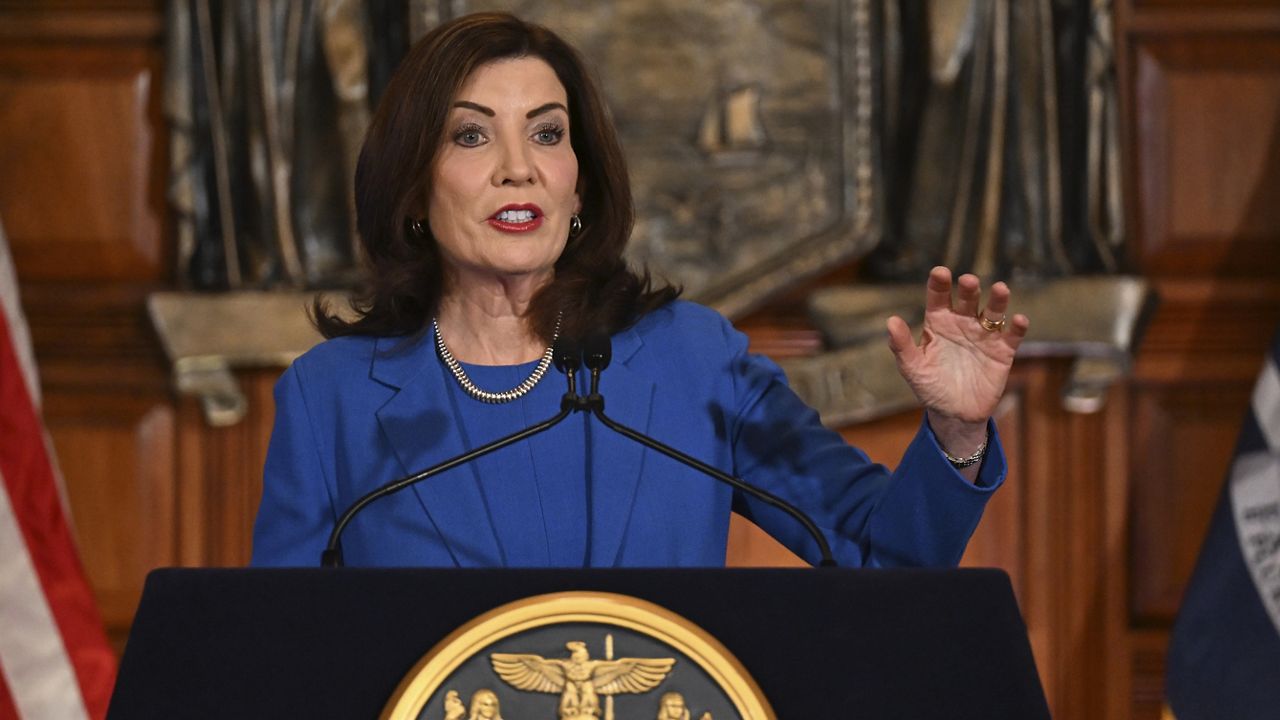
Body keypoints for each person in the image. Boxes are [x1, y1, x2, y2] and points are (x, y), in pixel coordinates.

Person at [250, 13, 1029, 569]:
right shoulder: (333, 398)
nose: (517, 166)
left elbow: (880, 556)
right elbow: (284, 653)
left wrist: (957, 435)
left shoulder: (692, 361)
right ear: (413, 187)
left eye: (548, 134)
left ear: (579, 186)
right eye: (471, 134)